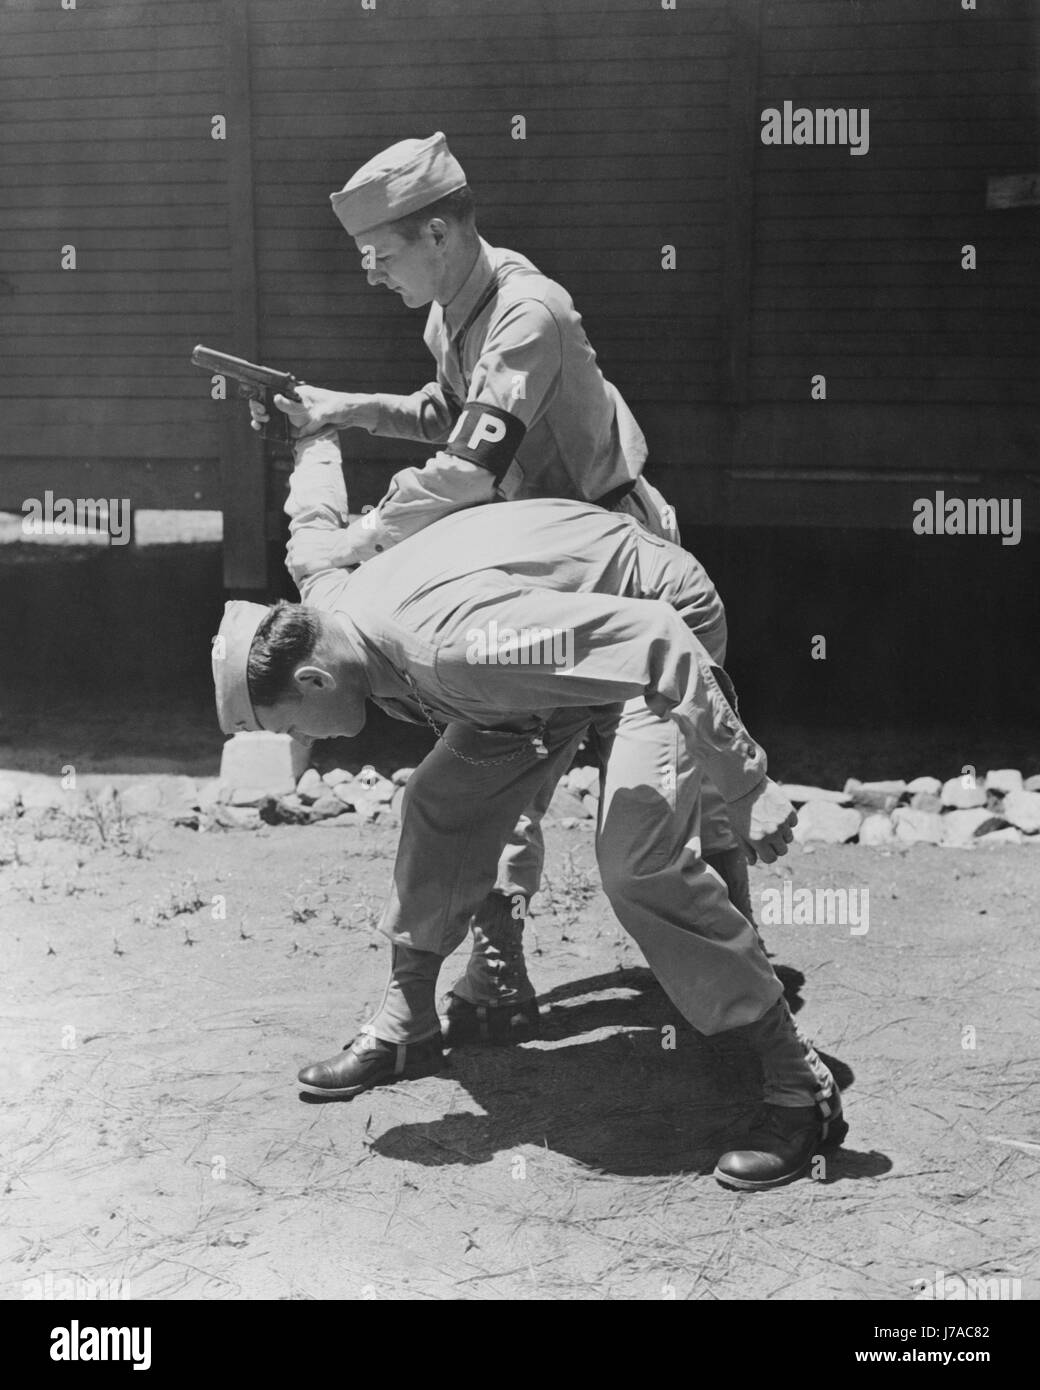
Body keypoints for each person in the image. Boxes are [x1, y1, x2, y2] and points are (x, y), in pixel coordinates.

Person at [212, 435, 847, 1190]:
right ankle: (408, 1024)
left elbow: (657, 644)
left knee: (637, 863)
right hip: (541, 664)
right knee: (439, 799)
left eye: (289, 727)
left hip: (653, 622)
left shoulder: (455, 649)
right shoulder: (323, 605)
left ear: (315, 680)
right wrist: (313, 437)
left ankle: (798, 1085)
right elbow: (312, 526)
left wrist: (743, 784)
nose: (299, 747)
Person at [248, 132, 757, 1044]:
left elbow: (470, 467)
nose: (370, 274)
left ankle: (742, 975)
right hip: (523, 569)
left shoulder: (528, 310)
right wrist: (339, 409)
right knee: (488, 775)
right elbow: (449, 411)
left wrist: (364, 535)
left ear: (438, 233)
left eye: (381, 254)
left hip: (610, 563)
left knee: (671, 796)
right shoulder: (455, 308)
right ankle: (499, 978)